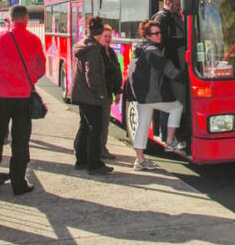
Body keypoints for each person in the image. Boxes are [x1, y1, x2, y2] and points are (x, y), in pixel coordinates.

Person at [0, 5, 45, 197]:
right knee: (21, 141)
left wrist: (2, 75)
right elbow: (41, 68)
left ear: (9, 19)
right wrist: (28, 79)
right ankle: (18, 183)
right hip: (23, 98)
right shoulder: (33, 40)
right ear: (25, 19)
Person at [127, 20, 186, 171]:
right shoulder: (153, 51)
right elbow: (170, 71)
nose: (160, 36)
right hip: (151, 96)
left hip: (140, 96)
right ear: (147, 35)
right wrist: (187, 76)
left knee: (143, 126)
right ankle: (170, 141)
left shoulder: (139, 49)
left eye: (160, 33)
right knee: (177, 108)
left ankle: (140, 160)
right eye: (155, 33)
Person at [70, 16, 113, 175]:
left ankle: (81, 159)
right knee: (96, 128)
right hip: (89, 95)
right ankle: (94, 164)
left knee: (85, 126)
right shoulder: (94, 49)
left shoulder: (84, 44)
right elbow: (91, 74)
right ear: (100, 31)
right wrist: (99, 93)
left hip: (80, 93)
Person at [152, 0, 186, 140]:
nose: (179, 8)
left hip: (170, 65)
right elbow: (163, 40)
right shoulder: (161, 18)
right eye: (177, 5)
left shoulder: (170, 17)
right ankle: (167, 136)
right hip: (166, 67)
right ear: (168, 3)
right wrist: (182, 40)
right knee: (170, 102)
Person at [99, 24, 122, 159]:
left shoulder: (111, 52)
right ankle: (99, 150)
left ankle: (102, 148)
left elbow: (117, 73)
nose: (108, 39)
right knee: (100, 124)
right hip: (100, 94)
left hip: (108, 92)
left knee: (105, 123)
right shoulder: (98, 52)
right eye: (105, 36)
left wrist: (117, 91)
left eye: (109, 36)